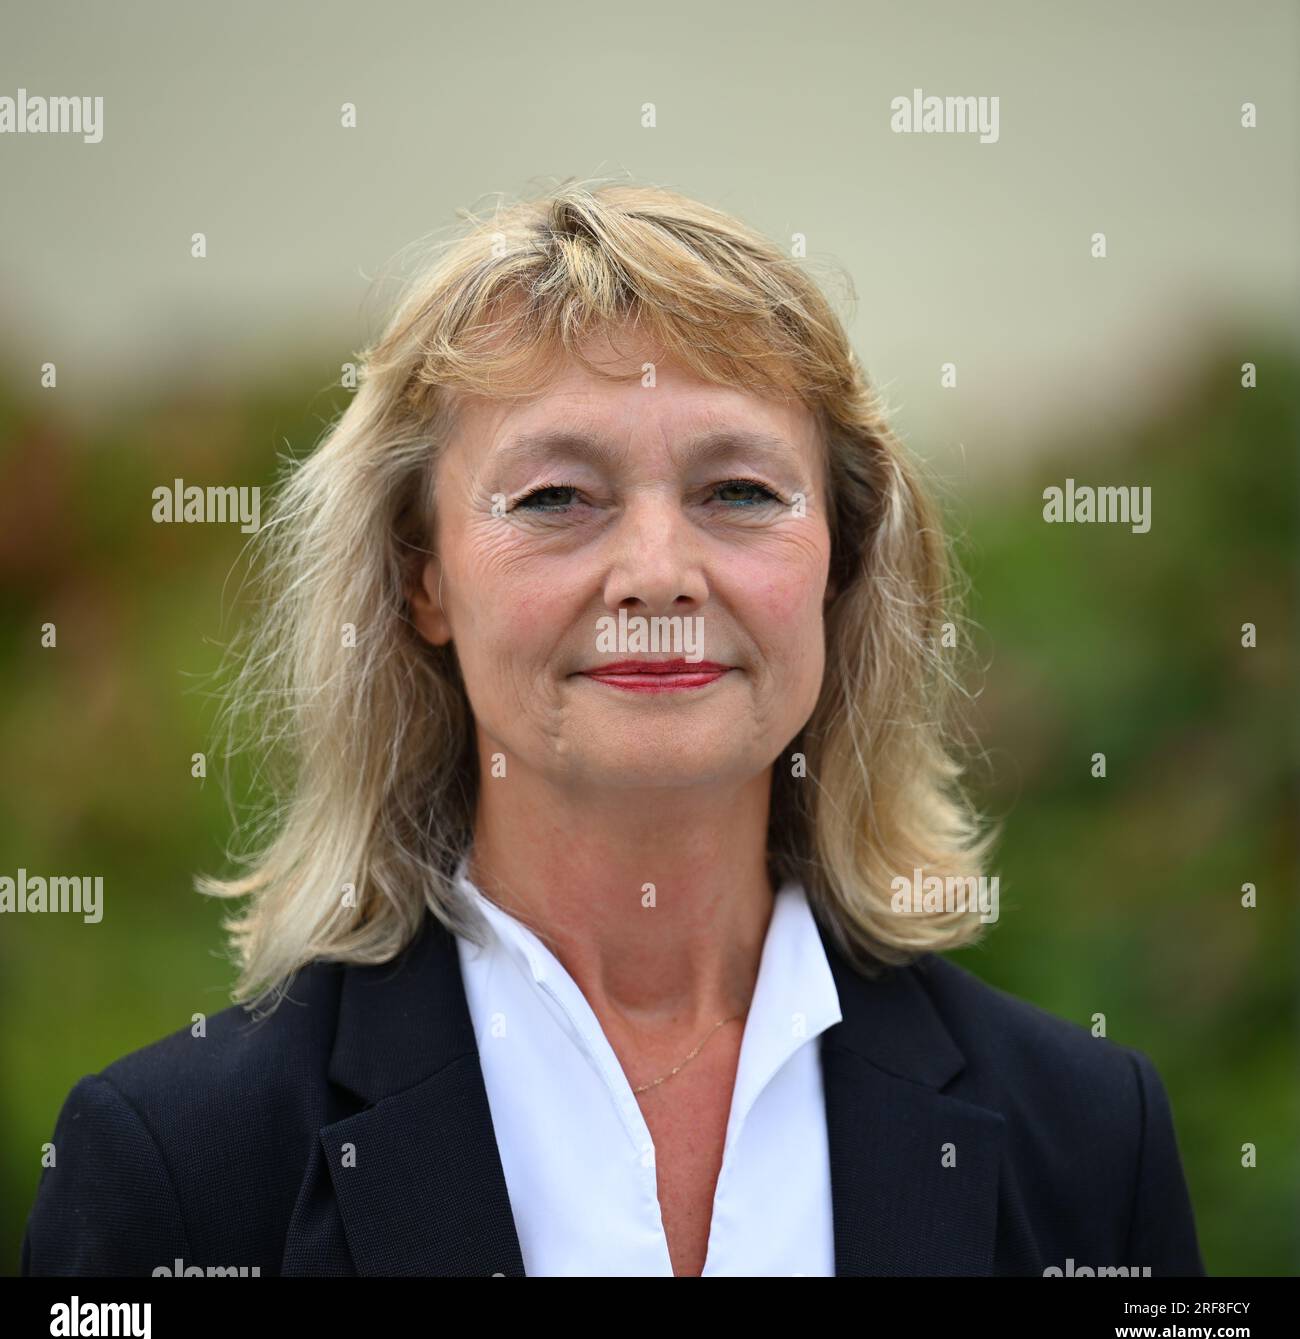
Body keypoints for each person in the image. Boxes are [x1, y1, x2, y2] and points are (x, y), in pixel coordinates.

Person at [22, 179, 1204, 1277]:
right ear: (420, 578)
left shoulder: (1092, 1141)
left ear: (838, 565)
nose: (657, 574)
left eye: (737, 490)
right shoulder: (178, 1167)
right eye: (555, 497)